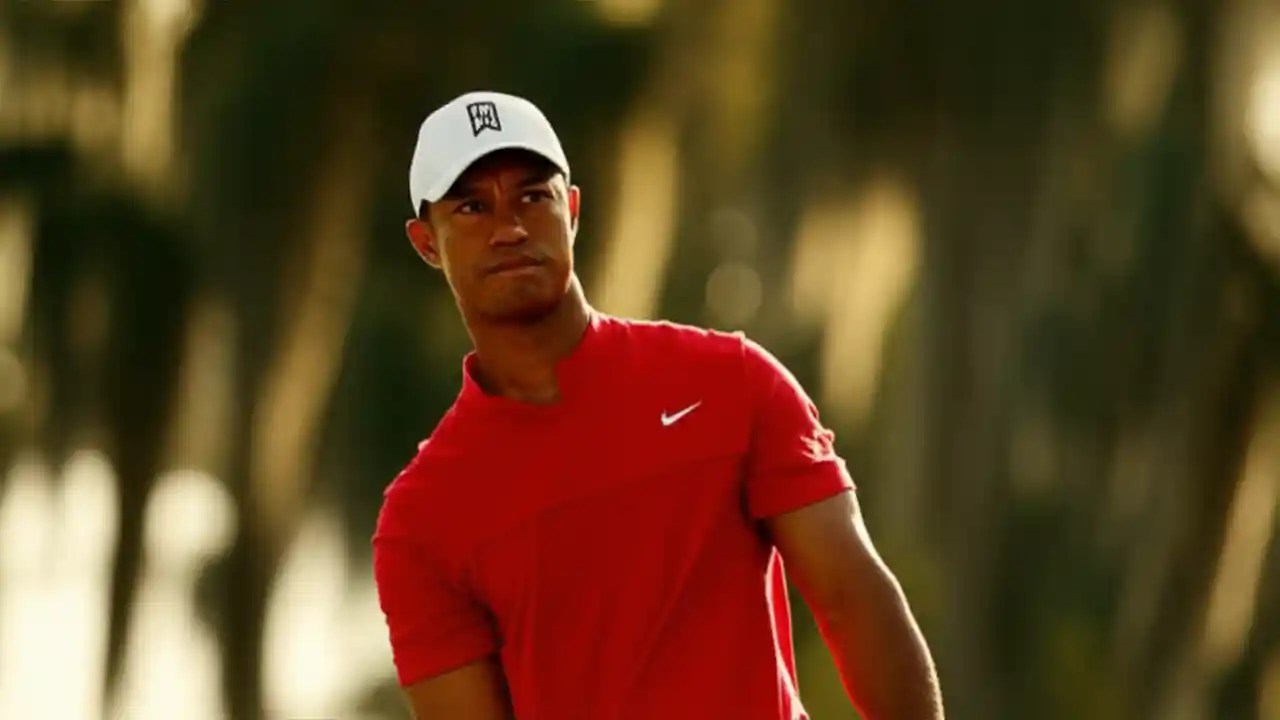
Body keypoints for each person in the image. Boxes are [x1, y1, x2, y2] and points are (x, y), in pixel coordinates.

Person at [373, 90, 944, 720]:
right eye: (472, 207)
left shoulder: (731, 381)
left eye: (533, 197)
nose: (509, 228)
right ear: (426, 242)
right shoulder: (422, 518)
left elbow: (853, 597)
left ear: (573, 209)